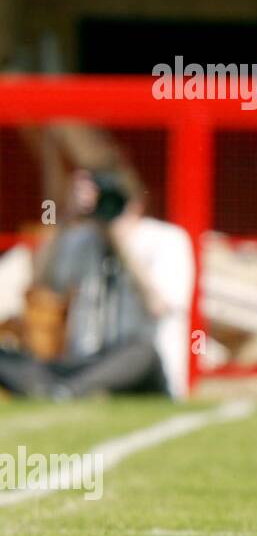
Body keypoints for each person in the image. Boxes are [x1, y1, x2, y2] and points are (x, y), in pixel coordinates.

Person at [0, 169, 194, 400]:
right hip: (84, 363)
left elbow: (158, 306)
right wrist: (64, 219)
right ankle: (59, 390)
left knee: (142, 352)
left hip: (143, 369)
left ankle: (67, 391)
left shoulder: (167, 239)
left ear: (138, 204)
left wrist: (121, 244)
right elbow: (42, 283)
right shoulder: (83, 239)